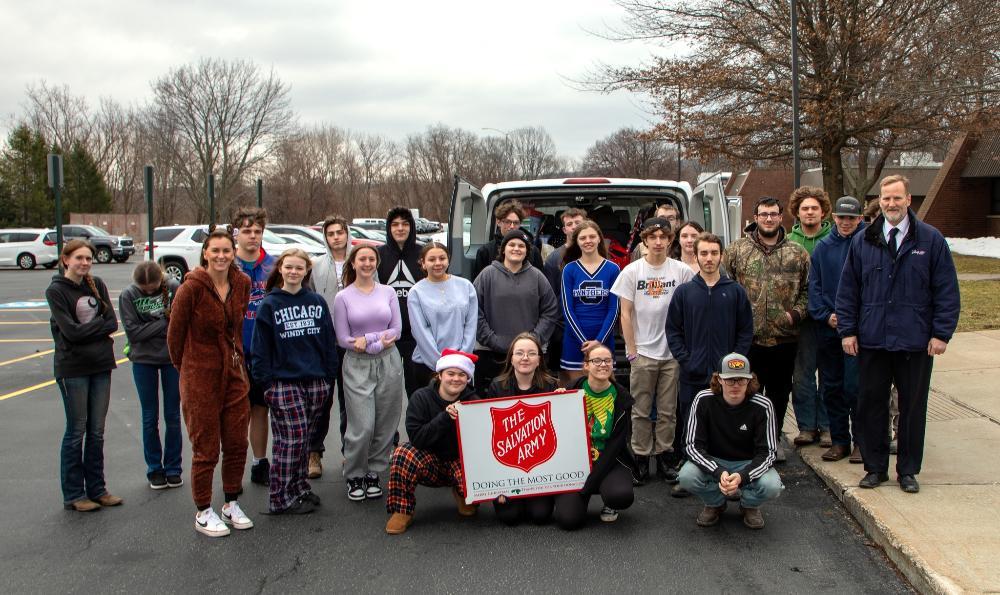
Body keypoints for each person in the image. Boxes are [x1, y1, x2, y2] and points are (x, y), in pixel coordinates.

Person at [837, 175, 960, 494]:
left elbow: (946, 290)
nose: (891, 204)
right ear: (879, 201)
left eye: (897, 198)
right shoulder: (863, 240)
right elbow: (848, 289)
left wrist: (941, 333)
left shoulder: (930, 240)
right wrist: (848, 331)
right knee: (871, 405)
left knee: (912, 407)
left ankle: (908, 470)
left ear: (909, 200)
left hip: (915, 341)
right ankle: (875, 468)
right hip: (873, 339)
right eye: (886, 198)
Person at [167, 227, 253, 537]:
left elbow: (237, 327)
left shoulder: (241, 283)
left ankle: (231, 502)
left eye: (226, 251)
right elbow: (174, 337)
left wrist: (237, 363)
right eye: (215, 250)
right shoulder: (190, 288)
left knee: (235, 442)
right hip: (199, 376)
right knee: (205, 448)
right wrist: (188, 370)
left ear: (233, 254)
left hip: (233, 374)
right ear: (205, 253)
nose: (221, 256)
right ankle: (203, 509)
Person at [251, 249, 339, 515]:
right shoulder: (270, 304)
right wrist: (266, 384)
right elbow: (260, 349)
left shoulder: (316, 302)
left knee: (304, 439)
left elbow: (327, 342)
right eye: (288, 267)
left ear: (306, 271)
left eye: (298, 268)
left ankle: (298, 488)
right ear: (280, 269)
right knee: (290, 440)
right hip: (283, 383)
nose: (293, 272)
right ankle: (280, 497)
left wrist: (327, 377)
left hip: (314, 381)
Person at [722, 196, 810, 463]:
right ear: (755, 218)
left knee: (780, 392)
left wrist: (795, 314)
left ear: (781, 216)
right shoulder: (737, 250)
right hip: (749, 338)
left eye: (773, 214)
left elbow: (809, 290)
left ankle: (773, 439)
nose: (769, 218)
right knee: (748, 390)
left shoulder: (797, 253)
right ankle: (748, 440)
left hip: (784, 338)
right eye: (763, 214)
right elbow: (726, 287)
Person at [666, 232, 754, 497]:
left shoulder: (736, 292)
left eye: (714, 253)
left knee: (724, 425)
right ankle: (689, 472)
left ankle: (729, 478)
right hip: (692, 374)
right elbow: (673, 331)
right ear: (696, 255)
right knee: (691, 422)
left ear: (721, 256)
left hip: (727, 377)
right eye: (703, 253)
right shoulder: (684, 292)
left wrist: (733, 366)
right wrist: (686, 359)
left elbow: (745, 332)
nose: (709, 258)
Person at [611, 217, 694, 485]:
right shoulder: (632, 272)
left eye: (663, 237)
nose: (658, 242)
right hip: (643, 353)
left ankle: (666, 456)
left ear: (671, 241)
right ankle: (641, 458)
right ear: (644, 240)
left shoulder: (681, 271)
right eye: (653, 237)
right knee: (641, 409)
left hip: (671, 354)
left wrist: (683, 348)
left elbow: (689, 310)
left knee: (669, 410)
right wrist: (632, 351)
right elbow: (625, 314)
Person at [46, 240, 122, 512]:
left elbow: (112, 322)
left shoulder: (96, 285)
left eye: (89, 258)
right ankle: (74, 494)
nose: (85, 262)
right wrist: (97, 329)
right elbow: (70, 332)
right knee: (77, 430)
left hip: (101, 365)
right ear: (66, 259)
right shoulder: (56, 291)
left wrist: (91, 330)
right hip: (73, 369)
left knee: (97, 432)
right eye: (79, 257)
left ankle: (98, 489)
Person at [678, 353, 783, 529]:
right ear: (718, 379)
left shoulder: (763, 405)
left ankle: (749, 505)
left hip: (747, 462)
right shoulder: (703, 399)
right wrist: (719, 472)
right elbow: (692, 446)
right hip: (715, 460)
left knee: (772, 486)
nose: (735, 385)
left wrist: (743, 476)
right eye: (729, 380)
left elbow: (769, 453)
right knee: (686, 476)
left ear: (749, 380)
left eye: (741, 380)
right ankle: (715, 503)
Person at [334, 245, 404, 502]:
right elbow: (343, 338)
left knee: (386, 421)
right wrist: (368, 342)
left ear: (377, 263)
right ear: (353, 263)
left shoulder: (388, 292)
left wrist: (370, 339)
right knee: (362, 424)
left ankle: (374, 471)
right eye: (361, 259)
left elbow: (396, 328)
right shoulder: (343, 297)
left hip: (388, 361)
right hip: (357, 363)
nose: (366, 263)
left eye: (371, 259)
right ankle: (354, 473)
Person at [385, 350, 480, 534]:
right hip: (430, 459)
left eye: (462, 375)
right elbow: (417, 439)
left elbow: (482, 443)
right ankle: (402, 510)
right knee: (403, 454)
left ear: (468, 378)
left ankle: (462, 494)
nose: (456, 379)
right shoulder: (421, 398)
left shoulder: (474, 401)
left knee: (474, 499)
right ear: (440, 375)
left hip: (459, 461)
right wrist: (445, 417)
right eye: (450, 374)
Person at [552, 343, 634, 529]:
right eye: (596, 360)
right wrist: (556, 403)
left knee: (620, 496)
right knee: (568, 520)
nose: (603, 364)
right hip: (575, 463)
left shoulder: (622, 398)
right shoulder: (570, 392)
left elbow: (616, 447)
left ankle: (608, 501)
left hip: (609, 460)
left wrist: (587, 487)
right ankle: (577, 498)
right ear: (586, 365)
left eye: (607, 360)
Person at [809, 196, 865, 462]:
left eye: (851, 218)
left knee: (855, 387)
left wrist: (851, 319)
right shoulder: (822, 248)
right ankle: (840, 440)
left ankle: (861, 443)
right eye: (842, 217)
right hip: (829, 330)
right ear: (834, 218)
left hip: (857, 332)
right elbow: (815, 288)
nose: (846, 222)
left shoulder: (869, 245)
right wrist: (826, 315)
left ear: (860, 219)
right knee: (831, 387)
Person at [484, 332, 559, 526]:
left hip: (540, 467)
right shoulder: (497, 386)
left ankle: (534, 496)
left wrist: (564, 403)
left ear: (539, 360)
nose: (525, 358)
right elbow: (488, 434)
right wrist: (496, 485)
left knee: (540, 516)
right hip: (507, 467)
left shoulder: (551, 386)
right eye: (519, 353)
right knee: (509, 518)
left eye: (531, 353)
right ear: (511, 358)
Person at [120, 261, 182, 490]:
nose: (147, 292)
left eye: (152, 289)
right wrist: (165, 321)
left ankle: (174, 467)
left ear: (160, 281)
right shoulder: (128, 295)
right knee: (149, 416)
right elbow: (133, 333)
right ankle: (154, 468)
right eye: (143, 290)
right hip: (143, 359)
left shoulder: (174, 286)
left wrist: (154, 326)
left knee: (173, 416)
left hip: (170, 358)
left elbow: (180, 322)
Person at [474, 229, 560, 388]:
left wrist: (534, 340)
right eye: (511, 244)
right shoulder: (487, 275)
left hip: (529, 357)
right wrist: (492, 340)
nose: (516, 248)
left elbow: (550, 311)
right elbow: (474, 311)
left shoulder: (537, 277)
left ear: (527, 251)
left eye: (521, 246)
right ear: (503, 249)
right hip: (491, 354)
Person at [231, 207, 277, 486]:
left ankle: (260, 462)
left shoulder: (272, 265)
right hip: (234, 352)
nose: (252, 236)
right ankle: (233, 463)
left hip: (265, 352)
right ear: (236, 233)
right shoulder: (228, 264)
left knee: (261, 409)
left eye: (257, 231)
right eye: (247, 231)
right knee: (236, 413)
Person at [306, 214, 353, 478]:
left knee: (350, 400)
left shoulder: (359, 260)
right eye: (331, 233)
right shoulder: (317, 265)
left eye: (340, 232)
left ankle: (350, 451)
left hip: (351, 342)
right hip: (325, 343)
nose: (336, 237)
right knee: (321, 400)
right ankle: (314, 453)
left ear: (347, 234)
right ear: (325, 237)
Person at [787, 186, 833, 449]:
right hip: (803, 321)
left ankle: (827, 427)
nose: (810, 212)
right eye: (805, 208)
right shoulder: (791, 242)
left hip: (827, 319)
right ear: (797, 212)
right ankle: (807, 426)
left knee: (828, 375)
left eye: (814, 208)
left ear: (823, 211)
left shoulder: (833, 238)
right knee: (803, 375)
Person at [407, 242, 478, 388]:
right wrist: (441, 364)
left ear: (448, 259)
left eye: (442, 258)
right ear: (423, 263)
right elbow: (420, 331)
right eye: (432, 259)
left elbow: (471, 325)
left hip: (462, 365)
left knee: (459, 410)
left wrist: (460, 360)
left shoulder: (466, 286)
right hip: (427, 365)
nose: (438, 263)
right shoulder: (416, 292)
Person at [559, 220, 621, 385]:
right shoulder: (569, 269)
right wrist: (584, 341)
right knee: (577, 393)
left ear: (599, 239)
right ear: (576, 242)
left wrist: (599, 341)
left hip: (604, 339)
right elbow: (567, 308)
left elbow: (614, 309)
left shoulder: (613, 269)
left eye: (592, 236)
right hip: (575, 341)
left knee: (604, 392)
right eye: (583, 238)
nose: (588, 241)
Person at [377, 206, 427, 399]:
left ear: (412, 227)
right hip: (387, 338)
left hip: (417, 336)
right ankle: (389, 431)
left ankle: (419, 430)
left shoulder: (423, 254)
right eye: (395, 224)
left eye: (405, 224)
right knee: (387, 394)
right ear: (389, 228)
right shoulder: (378, 255)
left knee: (417, 392)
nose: (400, 228)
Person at [542, 209, 587, 372]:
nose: (574, 227)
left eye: (578, 223)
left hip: (591, 324)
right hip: (563, 327)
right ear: (564, 230)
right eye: (569, 224)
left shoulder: (596, 254)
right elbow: (551, 296)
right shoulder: (554, 258)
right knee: (563, 374)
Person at [472, 199, 544, 280]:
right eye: (508, 222)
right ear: (498, 222)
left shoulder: (533, 251)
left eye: (516, 223)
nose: (512, 226)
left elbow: (540, 282)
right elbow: (479, 286)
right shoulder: (485, 251)